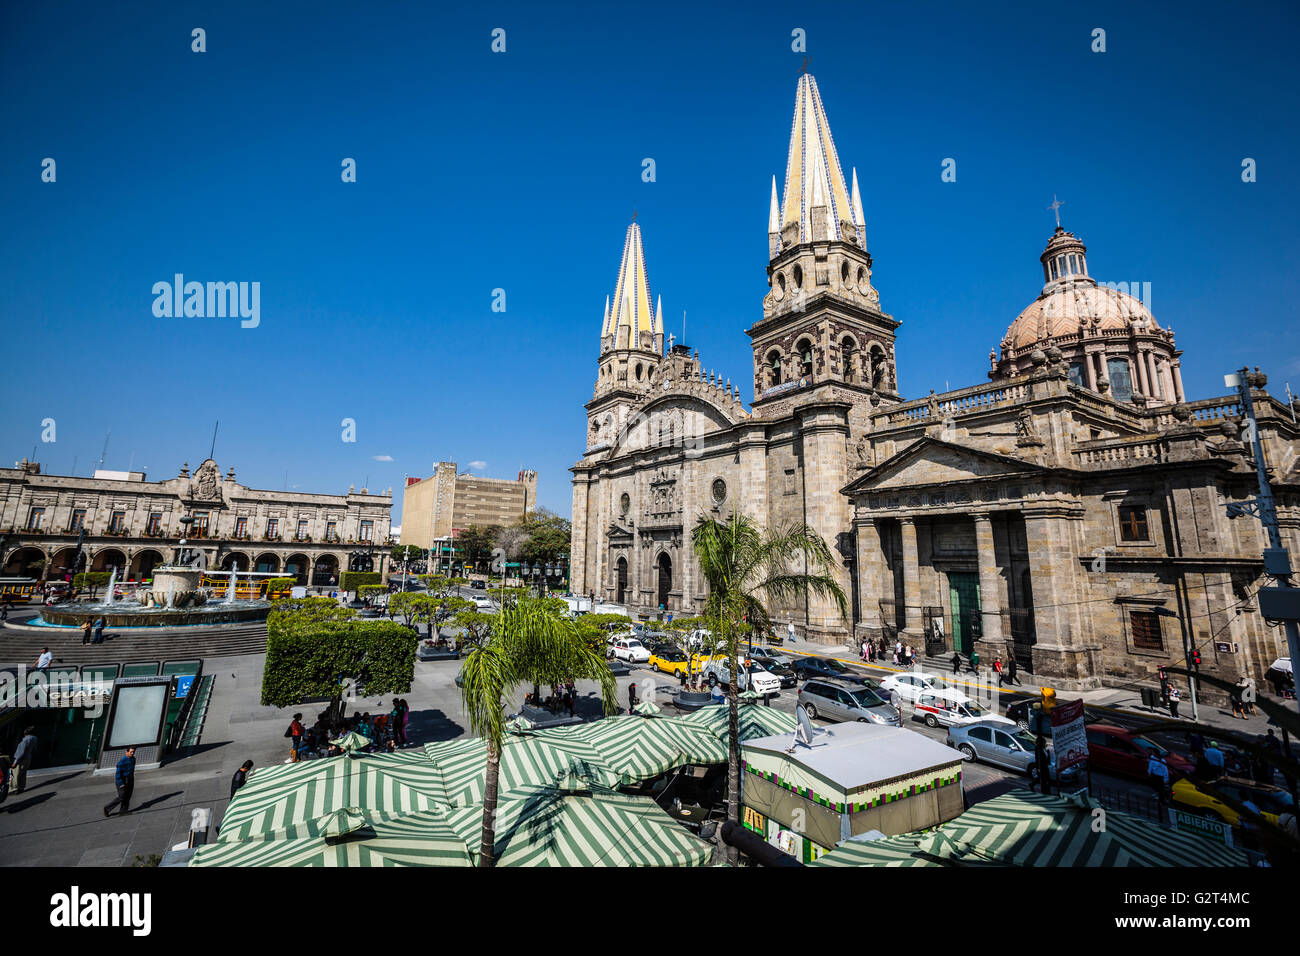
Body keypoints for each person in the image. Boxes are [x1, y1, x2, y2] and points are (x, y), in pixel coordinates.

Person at [103, 747, 136, 817]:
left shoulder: (133, 759)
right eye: (131, 752)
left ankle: (123, 811)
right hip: (122, 780)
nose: (132, 753)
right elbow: (118, 774)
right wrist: (121, 783)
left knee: (128, 796)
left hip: (130, 779)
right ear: (126, 752)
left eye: (133, 752)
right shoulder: (122, 761)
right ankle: (107, 808)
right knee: (122, 796)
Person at [11, 727, 37, 794]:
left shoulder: (25, 740)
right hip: (28, 758)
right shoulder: (34, 739)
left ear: (26, 733)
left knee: (17, 774)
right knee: (23, 773)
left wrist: (15, 762)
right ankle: (22, 787)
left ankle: (16, 788)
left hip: (22, 759)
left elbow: (20, 752)